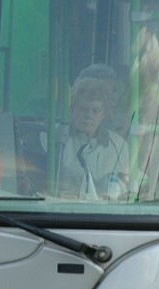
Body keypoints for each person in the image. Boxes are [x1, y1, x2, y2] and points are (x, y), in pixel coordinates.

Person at [52, 70, 131, 200]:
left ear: (104, 114)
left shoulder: (119, 145)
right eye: (83, 109)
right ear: (72, 109)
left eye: (95, 110)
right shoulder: (57, 138)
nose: (89, 115)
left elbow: (124, 187)